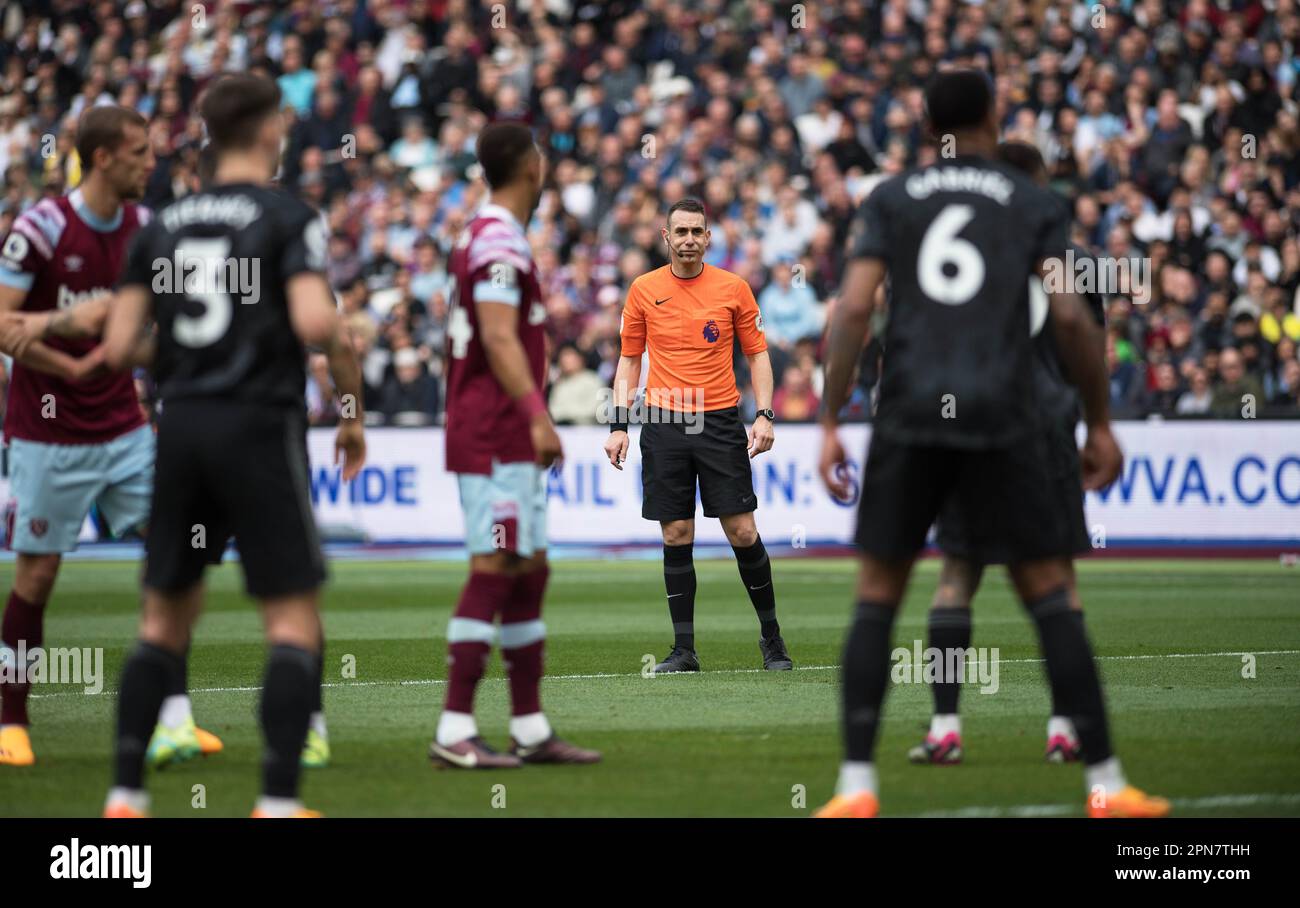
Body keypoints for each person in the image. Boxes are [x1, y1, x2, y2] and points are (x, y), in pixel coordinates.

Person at [814, 70, 1168, 819]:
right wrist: (1100, 421)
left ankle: (854, 789)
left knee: (878, 598)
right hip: (1005, 418)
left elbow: (850, 311)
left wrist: (829, 419)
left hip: (910, 415)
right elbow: (1073, 321)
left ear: (924, 119)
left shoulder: (891, 198)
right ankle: (1105, 782)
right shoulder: (1035, 203)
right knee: (1051, 596)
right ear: (995, 114)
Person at [100, 73, 366, 818]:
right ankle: (277, 802)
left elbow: (122, 346)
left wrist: (191, 353)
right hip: (258, 424)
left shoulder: (161, 223)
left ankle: (124, 796)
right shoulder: (288, 216)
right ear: (268, 131)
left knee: (161, 619)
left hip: (181, 426)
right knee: (290, 620)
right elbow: (316, 322)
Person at [0, 105, 222, 768]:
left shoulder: (148, 230)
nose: (150, 164)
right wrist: (71, 349)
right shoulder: (39, 231)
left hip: (127, 428)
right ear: (102, 158)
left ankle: (174, 719)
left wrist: (138, 346)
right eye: (138, 154)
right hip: (47, 433)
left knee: (172, 560)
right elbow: (6, 325)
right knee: (37, 575)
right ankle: (10, 719)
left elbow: (161, 326)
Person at [911, 140, 1108, 767]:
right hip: (1042, 426)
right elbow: (1083, 340)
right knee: (1058, 582)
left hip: (966, 425)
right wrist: (1094, 423)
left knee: (955, 577)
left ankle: (945, 728)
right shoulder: (1068, 258)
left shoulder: (952, 259)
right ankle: (1064, 728)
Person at [431, 121, 600, 769]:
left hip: (501, 433)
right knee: (496, 565)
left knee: (530, 567)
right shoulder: (499, 240)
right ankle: (453, 730)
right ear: (532, 167)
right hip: (494, 433)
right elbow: (499, 337)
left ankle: (529, 728)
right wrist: (537, 413)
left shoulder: (487, 234)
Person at [604, 198, 793, 674]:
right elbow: (629, 361)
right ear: (665, 237)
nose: (689, 239)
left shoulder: (734, 288)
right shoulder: (644, 289)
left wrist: (765, 414)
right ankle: (684, 650)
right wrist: (618, 424)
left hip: (719, 420)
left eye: (697, 231)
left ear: (709, 238)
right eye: (681, 231)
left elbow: (759, 355)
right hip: (666, 422)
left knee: (742, 531)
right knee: (676, 532)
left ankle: (772, 638)